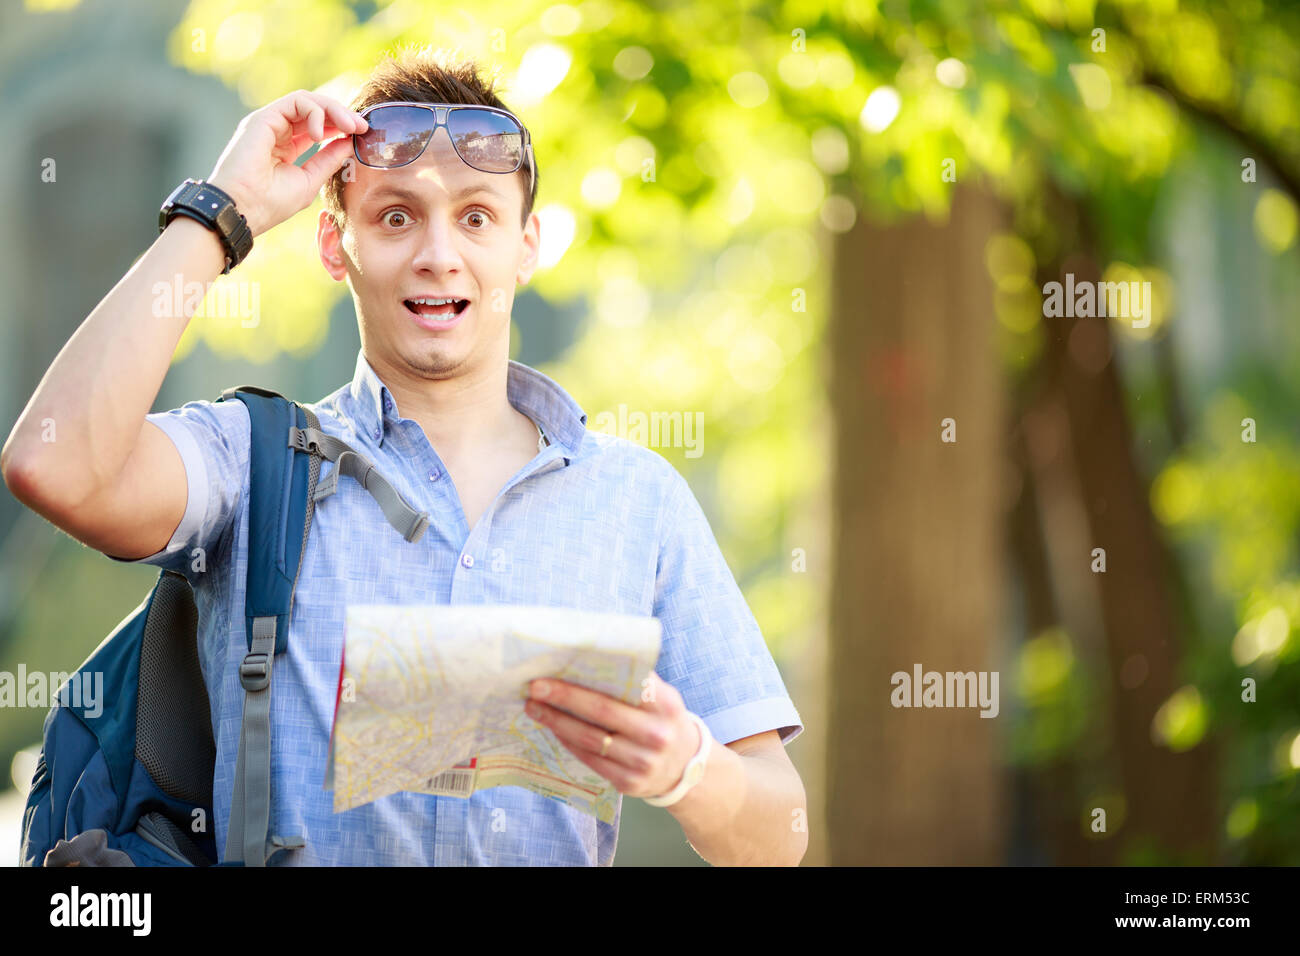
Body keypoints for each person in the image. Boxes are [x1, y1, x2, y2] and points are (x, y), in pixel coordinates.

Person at [0, 47, 806, 866]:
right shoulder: (250, 463)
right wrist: (222, 209)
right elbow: (54, 466)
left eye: (477, 217)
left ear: (526, 247)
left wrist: (687, 768)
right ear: (331, 245)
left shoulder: (638, 500)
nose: (437, 253)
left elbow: (782, 837)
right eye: (394, 216)